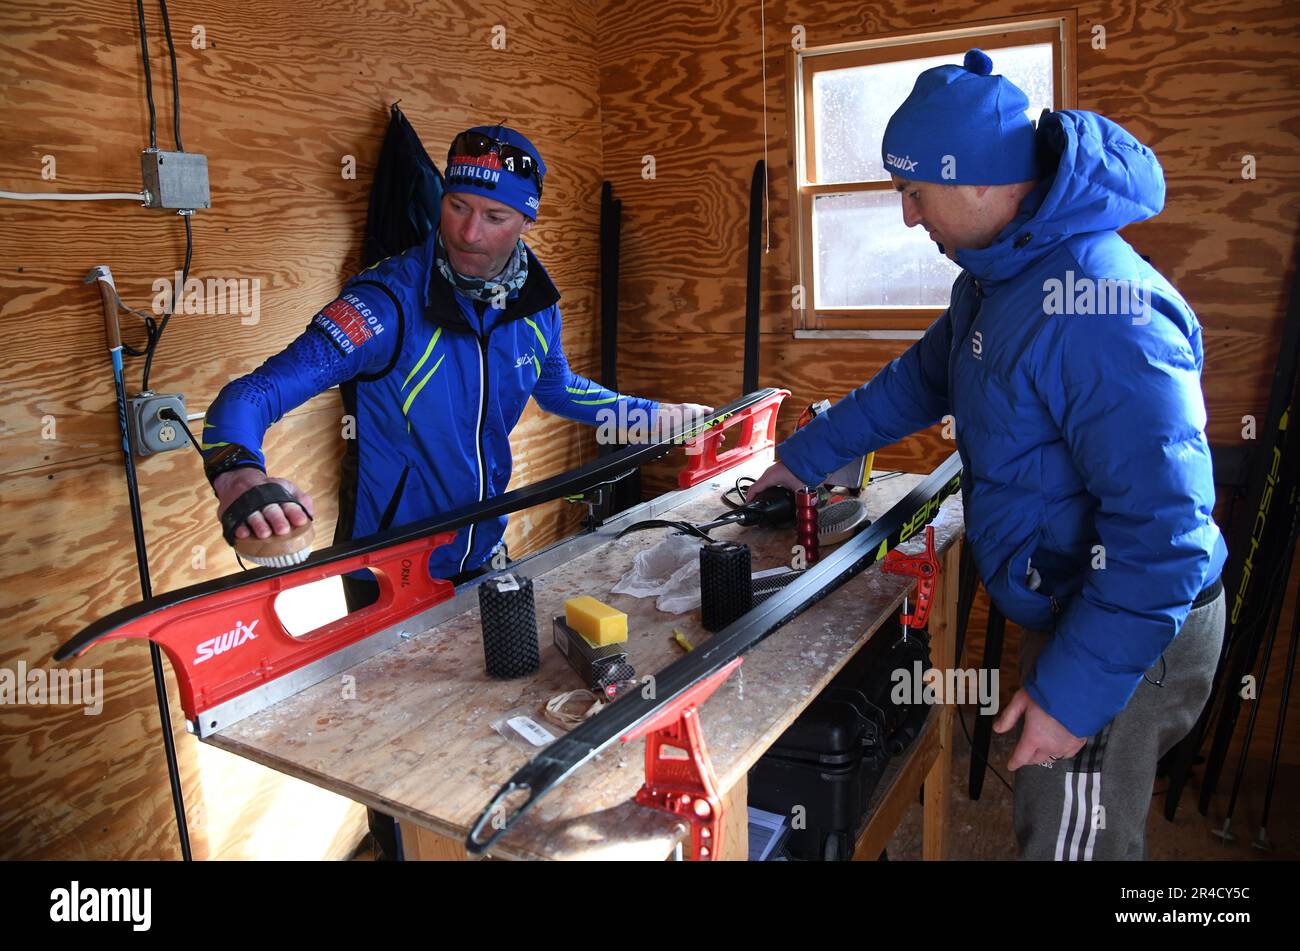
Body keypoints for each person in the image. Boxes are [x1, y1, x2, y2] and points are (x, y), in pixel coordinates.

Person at [749, 50, 1227, 860]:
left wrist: (1074, 697)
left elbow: (1165, 536)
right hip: (1085, 609)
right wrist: (801, 458)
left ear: (975, 182)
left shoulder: (1102, 306)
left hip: (1133, 626)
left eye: (914, 193)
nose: (907, 217)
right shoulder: (998, 273)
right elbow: (918, 381)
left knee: (1074, 847)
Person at [201, 124, 709, 609]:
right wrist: (238, 473)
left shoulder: (535, 303)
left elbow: (557, 389)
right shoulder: (384, 304)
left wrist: (655, 416)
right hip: (389, 568)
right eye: (457, 205)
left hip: (484, 546)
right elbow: (254, 393)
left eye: (494, 217)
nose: (468, 233)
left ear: (527, 221)